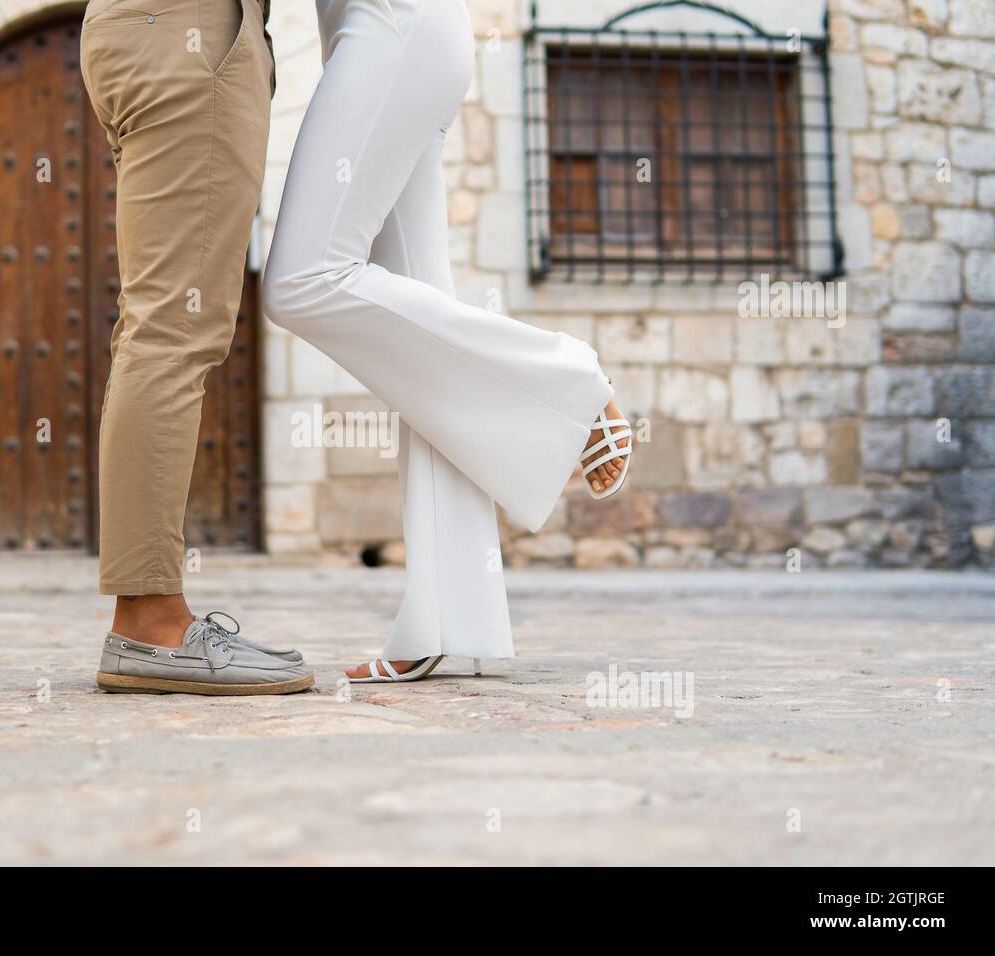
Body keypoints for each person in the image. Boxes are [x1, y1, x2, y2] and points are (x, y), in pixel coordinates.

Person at [262, 0, 631, 685]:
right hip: (387, 32)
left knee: (300, 280)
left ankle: (566, 384)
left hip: (391, 25)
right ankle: (443, 619)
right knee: (420, 340)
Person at [81, 0, 314, 695]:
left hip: (156, 31)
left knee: (158, 328)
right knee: (174, 331)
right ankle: (151, 622)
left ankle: (147, 613)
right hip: (191, 31)